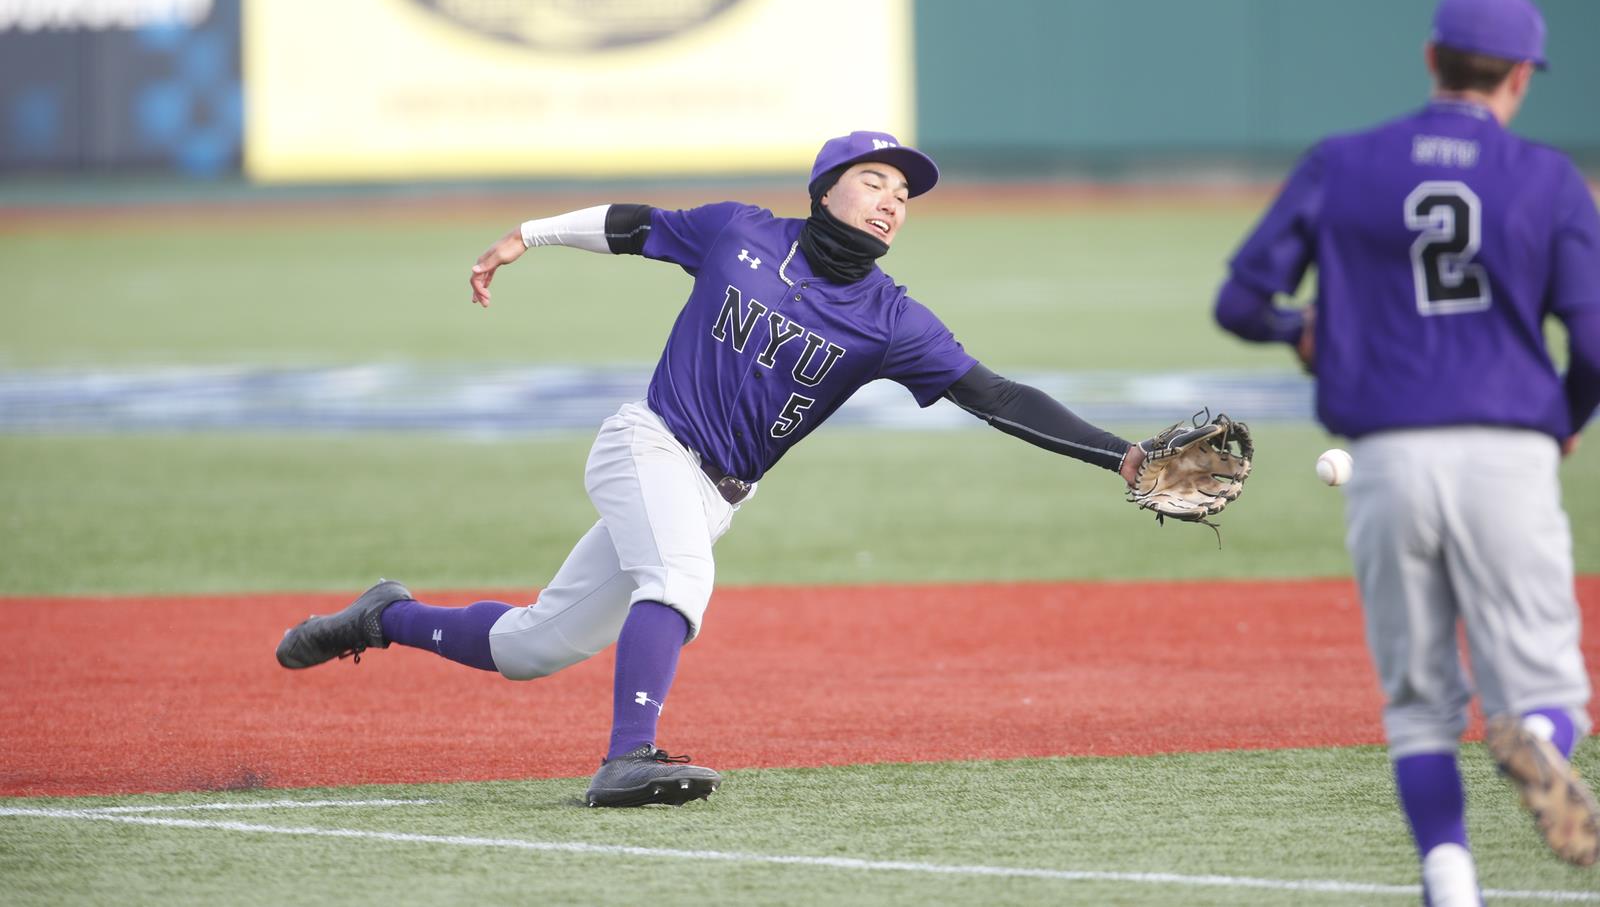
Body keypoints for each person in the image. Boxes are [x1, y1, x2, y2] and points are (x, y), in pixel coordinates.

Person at [276, 130, 1170, 807]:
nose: (893, 200)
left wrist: (1122, 457)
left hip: (711, 493)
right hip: (647, 443)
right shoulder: (740, 232)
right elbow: (639, 228)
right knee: (678, 576)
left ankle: (381, 616)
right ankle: (628, 756)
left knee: (531, 646)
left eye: (904, 193)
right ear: (826, 188)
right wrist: (529, 235)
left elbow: (999, 396)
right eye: (875, 180)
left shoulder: (894, 321)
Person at [1215, 0, 1600, 903]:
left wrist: (1301, 328)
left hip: (1383, 456)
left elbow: (1239, 302)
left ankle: (1449, 882)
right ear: (1518, 76)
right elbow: (1592, 344)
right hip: (1504, 447)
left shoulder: (1342, 163)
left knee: (1420, 704)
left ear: (1430, 60)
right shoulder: (1549, 178)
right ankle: (1539, 744)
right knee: (1551, 689)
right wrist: (1566, 423)